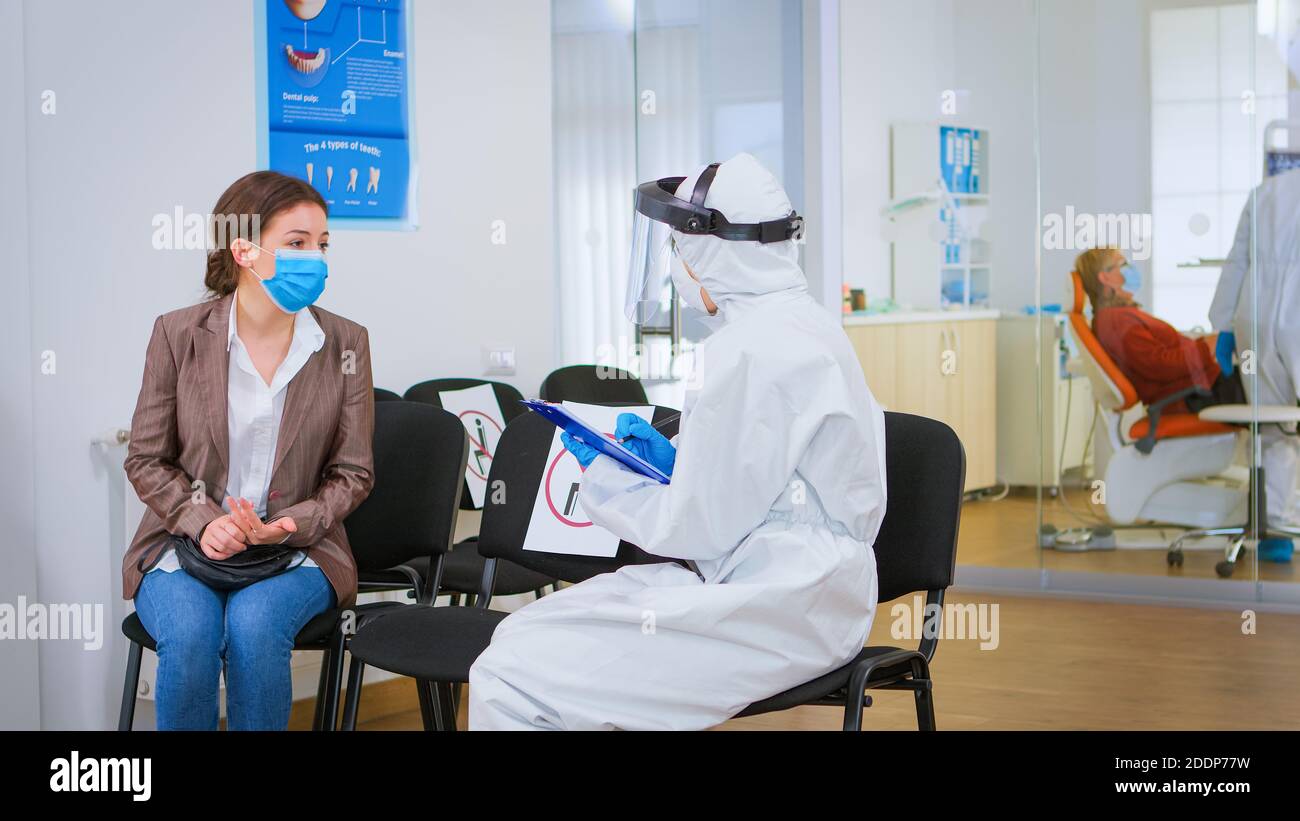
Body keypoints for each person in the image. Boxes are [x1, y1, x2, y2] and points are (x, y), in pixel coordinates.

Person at [468, 153, 888, 730]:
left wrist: (610, 477)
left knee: (514, 668)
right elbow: (761, 488)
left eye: (678, 246)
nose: (675, 263)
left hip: (780, 598)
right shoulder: (807, 324)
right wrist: (679, 468)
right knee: (524, 635)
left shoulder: (743, 351)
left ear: (711, 249)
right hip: (798, 587)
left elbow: (696, 528)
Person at [122, 171, 375, 730]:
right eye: (297, 242)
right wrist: (202, 519)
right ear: (244, 249)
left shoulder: (344, 343)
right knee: (190, 634)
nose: (316, 258)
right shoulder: (177, 334)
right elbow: (144, 457)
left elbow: (352, 472)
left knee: (256, 626)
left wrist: (287, 523)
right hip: (183, 544)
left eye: (322, 244)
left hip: (297, 550)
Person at [1210, 169, 1300, 540]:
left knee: (1272, 427)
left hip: (1254, 318)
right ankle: (1278, 521)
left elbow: (1237, 261)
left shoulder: (1268, 191)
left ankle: (1274, 524)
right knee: (1280, 426)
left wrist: (1223, 324)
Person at [1076, 247, 1244, 415]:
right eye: (1123, 264)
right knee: (1264, 385)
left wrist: (1207, 343)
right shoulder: (1116, 322)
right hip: (1194, 394)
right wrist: (1207, 347)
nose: (1131, 269)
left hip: (1200, 386)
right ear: (1105, 278)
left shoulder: (1119, 317)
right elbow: (1160, 366)